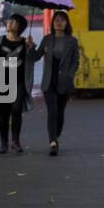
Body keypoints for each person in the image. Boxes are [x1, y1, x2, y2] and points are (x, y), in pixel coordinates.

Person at [28, 10, 80, 155]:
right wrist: (31, 46)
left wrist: (70, 75)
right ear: (52, 23)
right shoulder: (47, 39)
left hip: (64, 81)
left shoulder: (72, 41)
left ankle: (55, 136)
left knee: (60, 112)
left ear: (66, 23)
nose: (59, 22)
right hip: (48, 81)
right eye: (56, 19)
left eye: (62, 20)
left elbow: (76, 61)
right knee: (52, 111)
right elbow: (35, 57)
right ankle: (52, 141)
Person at [0, 14, 33, 154]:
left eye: (14, 21)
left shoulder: (25, 43)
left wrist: (30, 48)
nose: (10, 23)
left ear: (20, 27)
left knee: (17, 110)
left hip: (18, 81)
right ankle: (4, 142)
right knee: (3, 113)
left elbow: (34, 59)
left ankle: (16, 141)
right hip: (1, 80)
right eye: (10, 20)